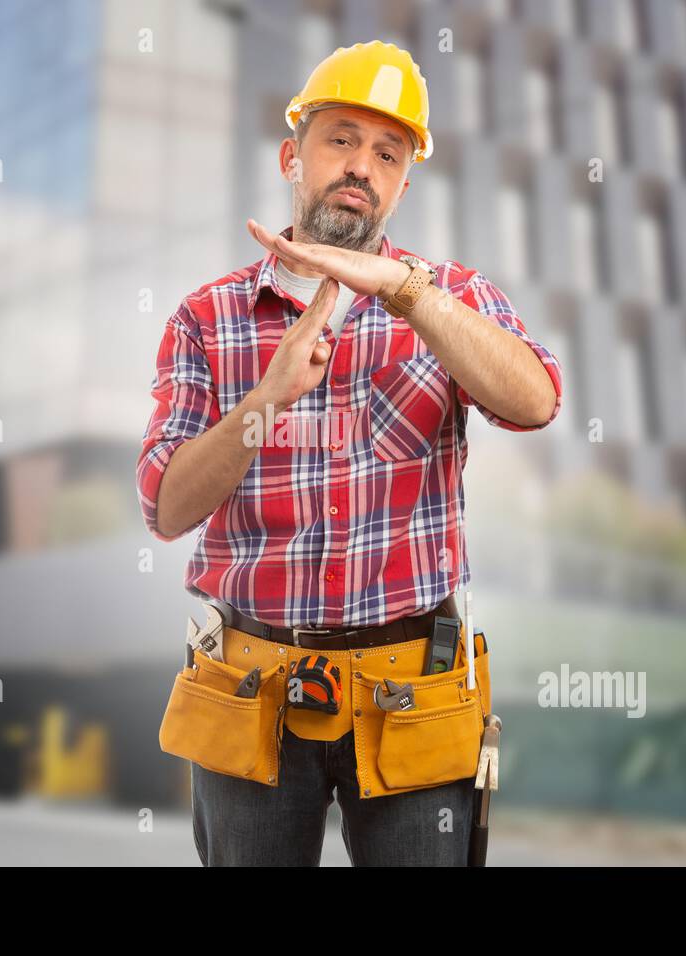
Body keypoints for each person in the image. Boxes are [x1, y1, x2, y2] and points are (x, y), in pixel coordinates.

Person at [137, 41, 563, 866]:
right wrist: (264, 401)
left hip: (414, 694)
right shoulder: (207, 319)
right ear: (293, 156)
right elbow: (165, 509)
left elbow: (536, 400)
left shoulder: (454, 300)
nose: (361, 165)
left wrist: (407, 296)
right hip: (251, 687)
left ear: (402, 183)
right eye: (340, 139)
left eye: (387, 152)